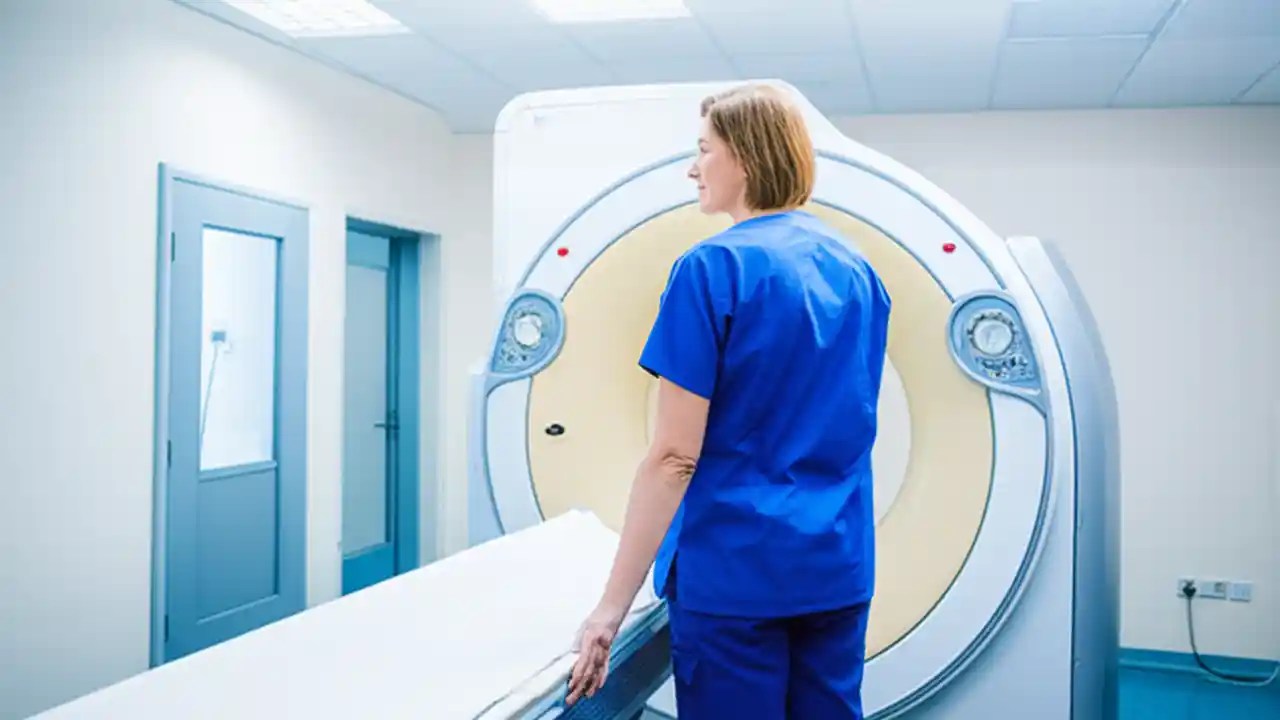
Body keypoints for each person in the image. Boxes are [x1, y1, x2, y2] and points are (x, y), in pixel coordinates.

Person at [565, 83, 892, 718]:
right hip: (836, 567)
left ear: (744, 157)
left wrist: (609, 611)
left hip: (736, 577)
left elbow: (672, 459)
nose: (692, 168)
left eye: (703, 150)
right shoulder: (857, 268)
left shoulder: (710, 269)